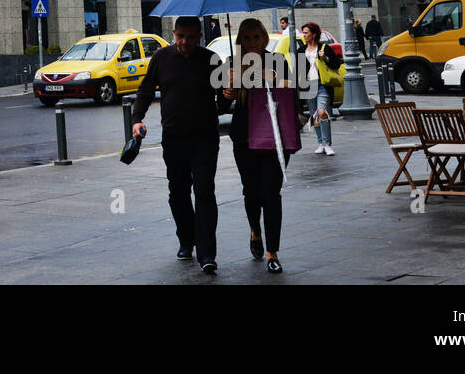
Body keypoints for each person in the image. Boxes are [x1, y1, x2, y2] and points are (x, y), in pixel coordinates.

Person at [131, 15, 229, 273]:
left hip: (206, 137)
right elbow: (145, 89)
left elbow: (224, 99)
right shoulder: (161, 58)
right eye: (180, 36)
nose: (185, 41)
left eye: (191, 37)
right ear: (174, 34)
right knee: (178, 193)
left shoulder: (211, 59)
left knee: (205, 192)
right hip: (174, 138)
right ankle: (186, 240)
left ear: (199, 37)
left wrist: (228, 92)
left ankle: (207, 252)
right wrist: (136, 119)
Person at [223, 18, 299, 274]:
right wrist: (227, 93)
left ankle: (272, 252)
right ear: (240, 40)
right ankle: (255, 230)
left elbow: (291, 97)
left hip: (274, 138)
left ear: (264, 38)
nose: (252, 42)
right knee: (251, 193)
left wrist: (275, 81)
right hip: (244, 138)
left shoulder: (277, 62)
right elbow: (220, 107)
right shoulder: (231, 66)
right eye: (247, 38)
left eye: (256, 37)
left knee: (271, 194)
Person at [300, 22, 341, 156]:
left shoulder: (324, 47)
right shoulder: (302, 50)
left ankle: (327, 144)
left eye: (306, 33)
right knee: (314, 116)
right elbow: (299, 70)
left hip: (323, 84)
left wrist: (325, 58)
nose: (304, 35)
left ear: (314, 34)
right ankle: (320, 143)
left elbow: (336, 65)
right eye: (303, 33)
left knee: (322, 112)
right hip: (309, 85)